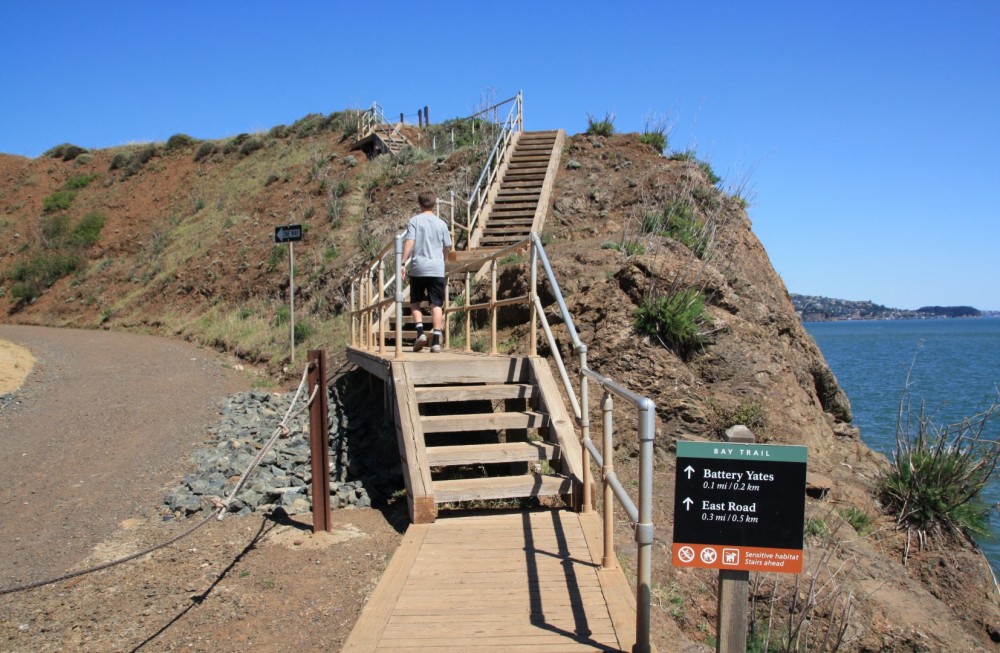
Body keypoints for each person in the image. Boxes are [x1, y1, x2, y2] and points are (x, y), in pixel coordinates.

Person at [400, 192, 452, 353]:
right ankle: (436, 341)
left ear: (420, 204)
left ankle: (421, 333)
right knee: (436, 304)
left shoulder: (415, 221)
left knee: (415, 302)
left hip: (418, 267)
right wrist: (443, 261)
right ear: (434, 204)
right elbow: (447, 246)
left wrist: (402, 263)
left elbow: (410, 242)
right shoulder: (442, 224)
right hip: (436, 268)